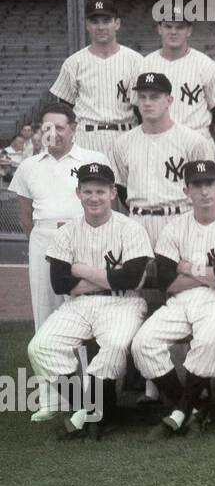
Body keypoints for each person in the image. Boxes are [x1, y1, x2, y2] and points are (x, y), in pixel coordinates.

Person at [26, 163, 151, 437]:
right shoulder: (67, 231)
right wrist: (108, 276)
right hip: (79, 304)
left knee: (115, 345)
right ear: (78, 193)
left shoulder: (131, 228)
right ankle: (90, 406)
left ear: (113, 193)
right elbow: (59, 283)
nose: (94, 197)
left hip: (123, 302)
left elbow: (129, 280)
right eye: (88, 191)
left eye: (100, 191)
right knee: (40, 347)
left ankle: (93, 412)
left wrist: (80, 269)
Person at [132, 160, 215, 439]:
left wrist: (186, 267)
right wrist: (212, 272)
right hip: (181, 301)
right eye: (197, 185)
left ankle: (179, 412)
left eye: (209, 183)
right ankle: (195, 407)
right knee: (143, 344)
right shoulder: (175, 228)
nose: (204, 191)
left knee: (207, 341)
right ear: (186, 190)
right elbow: (166, 281)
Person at [10, 104, 111, 338]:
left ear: (73, 128)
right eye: (47, 127)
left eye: (59, 127)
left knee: (84, 303)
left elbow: (108, 207)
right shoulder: (28, 166)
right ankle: (50, 370)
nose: (52, 133)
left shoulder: (94, 159)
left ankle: (87, 371)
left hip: (85, 237)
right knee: (44, 304)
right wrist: (46, 238)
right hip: (43, 239)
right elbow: (25, 217)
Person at [110, 72, 211, 248]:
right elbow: (122, 188)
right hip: (138, 222)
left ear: (169, 100)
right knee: (139, 275)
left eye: (155, 97)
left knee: (183, 274)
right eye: (142, 97)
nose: (147, 103)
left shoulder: (193, 141)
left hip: (180, 218)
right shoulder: (123, 142)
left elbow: (207, 189)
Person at [49, 0, 143, 159]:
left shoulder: (136, 61)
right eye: (94, 21)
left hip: (126, 135)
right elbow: (64, 110)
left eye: (106, 21)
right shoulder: (74, 62)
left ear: (117, 24)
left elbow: (142, 109)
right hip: (85, 138)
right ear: (87, 25)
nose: (100, 27)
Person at [142, 10, 215, 154]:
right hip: (157, 144)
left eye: (180, 27)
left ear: (189, 30)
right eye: (168, 26)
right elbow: (137, 109)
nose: (173, 31)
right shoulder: (145, 65)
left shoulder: (206, 65)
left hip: (197, 139)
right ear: (159, 29)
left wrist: (202, 140)